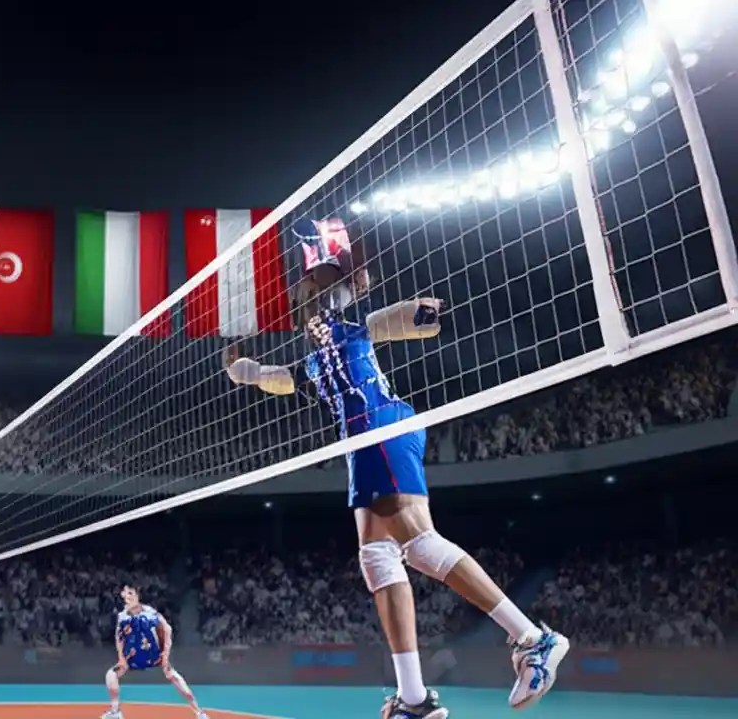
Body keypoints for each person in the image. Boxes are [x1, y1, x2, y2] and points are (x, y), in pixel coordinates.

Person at [222, 218, 568, 718]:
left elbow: (394, 315)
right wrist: (241, 371)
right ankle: (414, 701)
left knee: (420, 544)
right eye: (301, 295)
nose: (304, 299)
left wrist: (412, 308)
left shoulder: (351, 326)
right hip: (359, 442)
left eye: (314, 289)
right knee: (378, 558)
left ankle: (533, 638)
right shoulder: (316, 362)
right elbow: (273, 378)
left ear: (336, 290)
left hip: (380, 426)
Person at [102, 584, 207, 719]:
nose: (126, 596)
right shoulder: (122, 616)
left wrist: (165, 655)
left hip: (153, 654)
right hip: (133, 656)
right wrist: (122, 658)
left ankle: (199, 712)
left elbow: (167, 629)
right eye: (125, 593)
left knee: (173, 676)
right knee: (111, 675)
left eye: (130, 593)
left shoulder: (150, 612)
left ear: (137, 596)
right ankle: (115, 712)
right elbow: (119, 637)